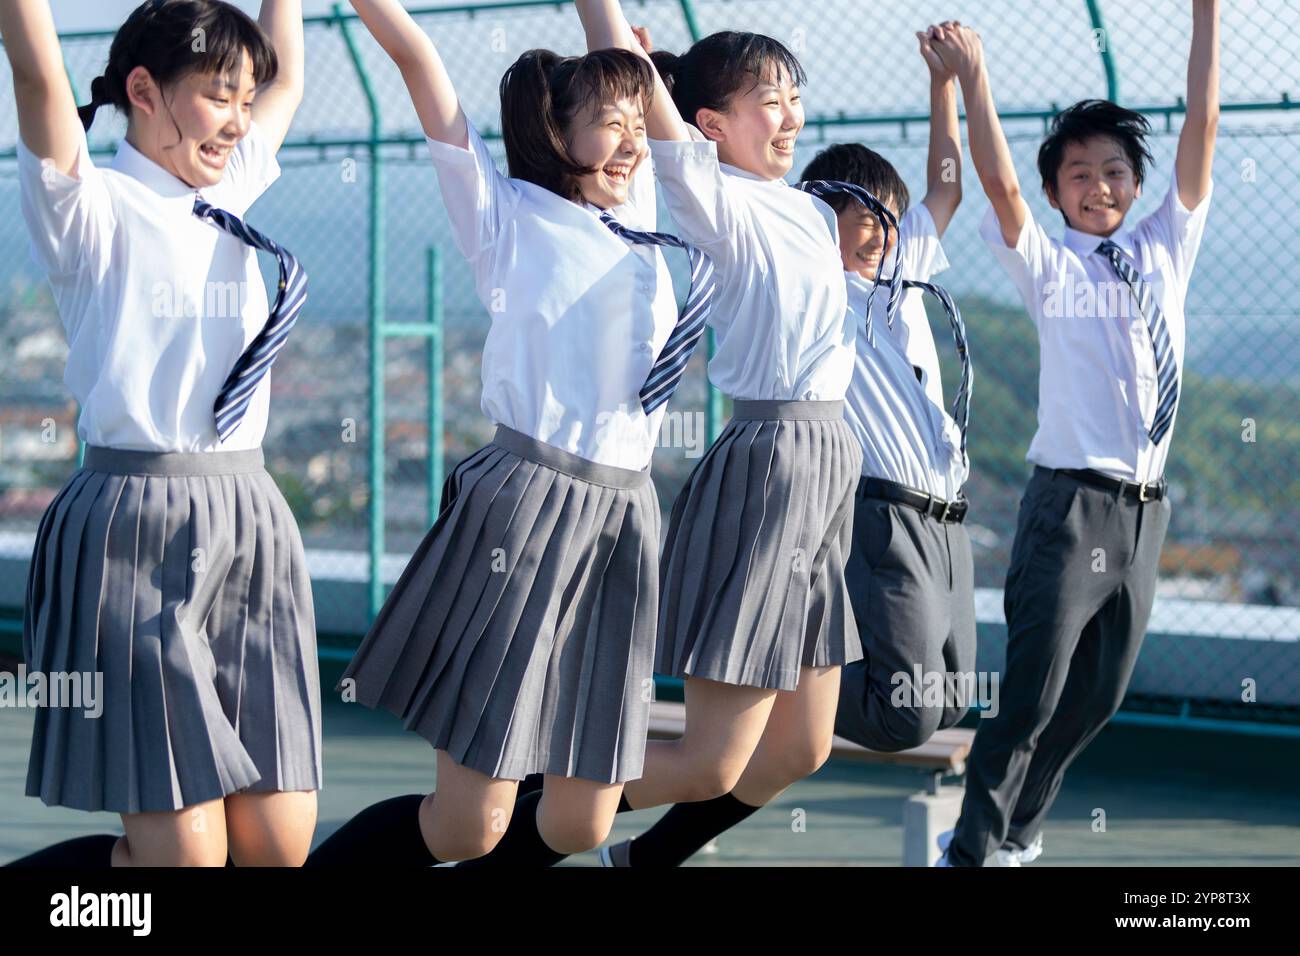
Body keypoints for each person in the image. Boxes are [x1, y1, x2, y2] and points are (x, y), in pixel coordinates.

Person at [303, 0, 712, 866]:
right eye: (611, 125)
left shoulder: (630, 209)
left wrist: (617, 54)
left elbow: (621, 70)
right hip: (527, 505)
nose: (635, 141)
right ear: (554, 133)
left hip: (625, 515)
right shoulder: (509, 216)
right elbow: (419, 63)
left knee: (582, 823)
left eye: (638, 124)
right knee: (468, 827)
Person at [3, 0, 317, 868]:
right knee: (186, 864)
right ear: (144, 90)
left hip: (252, 519)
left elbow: (284, 71)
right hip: (130, 528)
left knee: (277, 850)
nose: (241, 119)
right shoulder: (87, 209)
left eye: (245, 101)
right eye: (220, 95)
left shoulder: (229, 185)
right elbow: (37, 73)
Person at [933, 3, 1218, 866]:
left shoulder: (1167, 244)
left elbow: (1202, 121)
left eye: (1115, 171)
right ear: (1058, 191)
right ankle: (972, 851)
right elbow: (998, 183)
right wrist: (972, 78)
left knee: (1094, 698)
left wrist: (1208, 15)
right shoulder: (1050, 264)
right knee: (1030, 694)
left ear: (1136, 183)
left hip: (1143, 515)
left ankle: (1017, 835)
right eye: (1079, 174)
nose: (1100, 186)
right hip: (1069, 507)